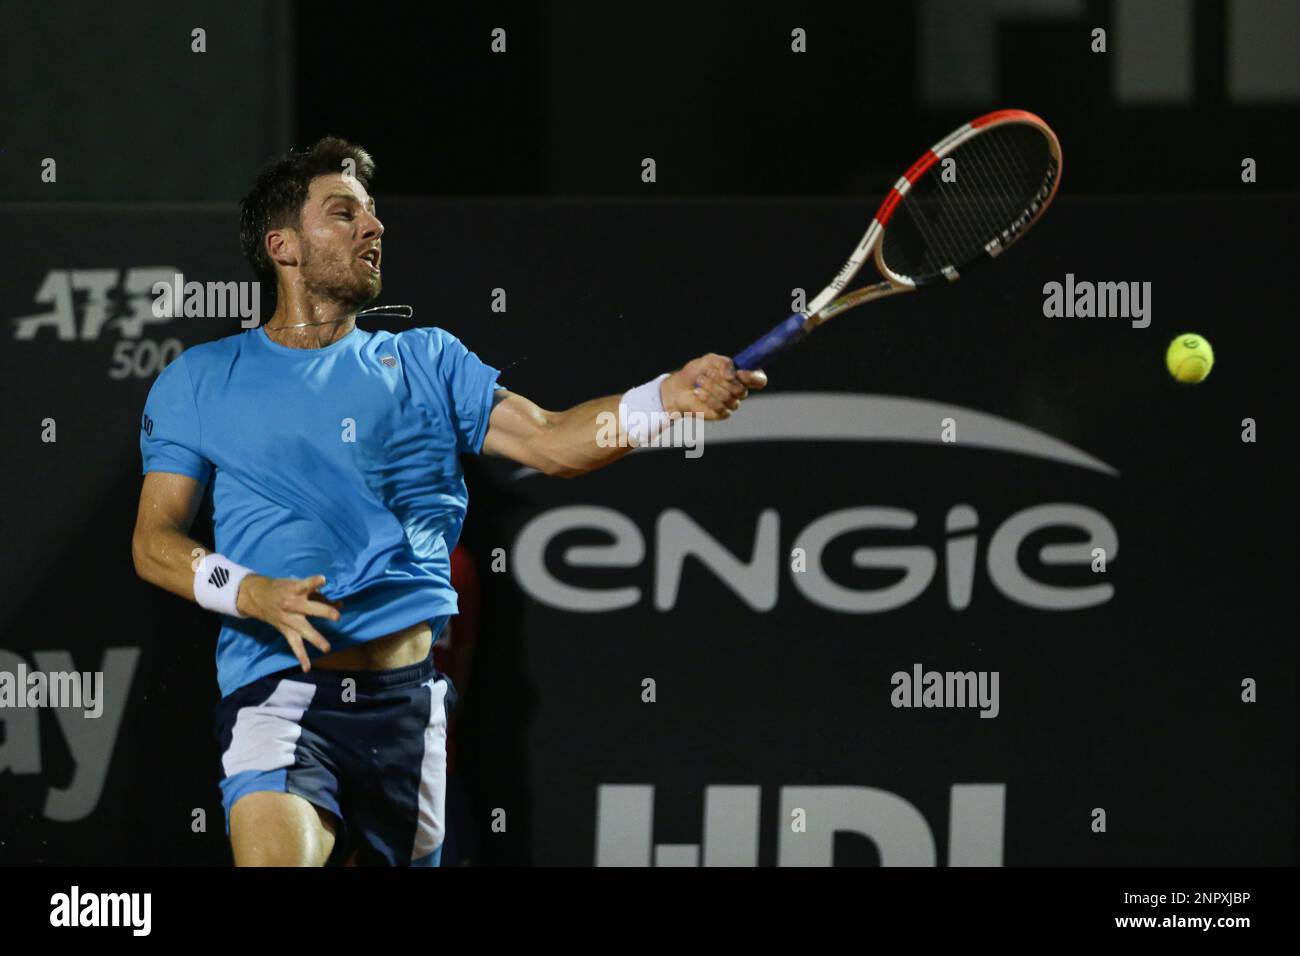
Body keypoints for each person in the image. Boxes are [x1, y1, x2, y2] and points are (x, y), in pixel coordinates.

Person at [130, 136, 767, 866]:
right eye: (344, 214)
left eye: (372, 215)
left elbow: (554, 442)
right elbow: (155, 542)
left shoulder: (428, 360)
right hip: (283, 693)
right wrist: (252, 593)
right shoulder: (202, 380)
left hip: (410, 711)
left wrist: (668, 398)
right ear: (284, 246)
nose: (373, 229)